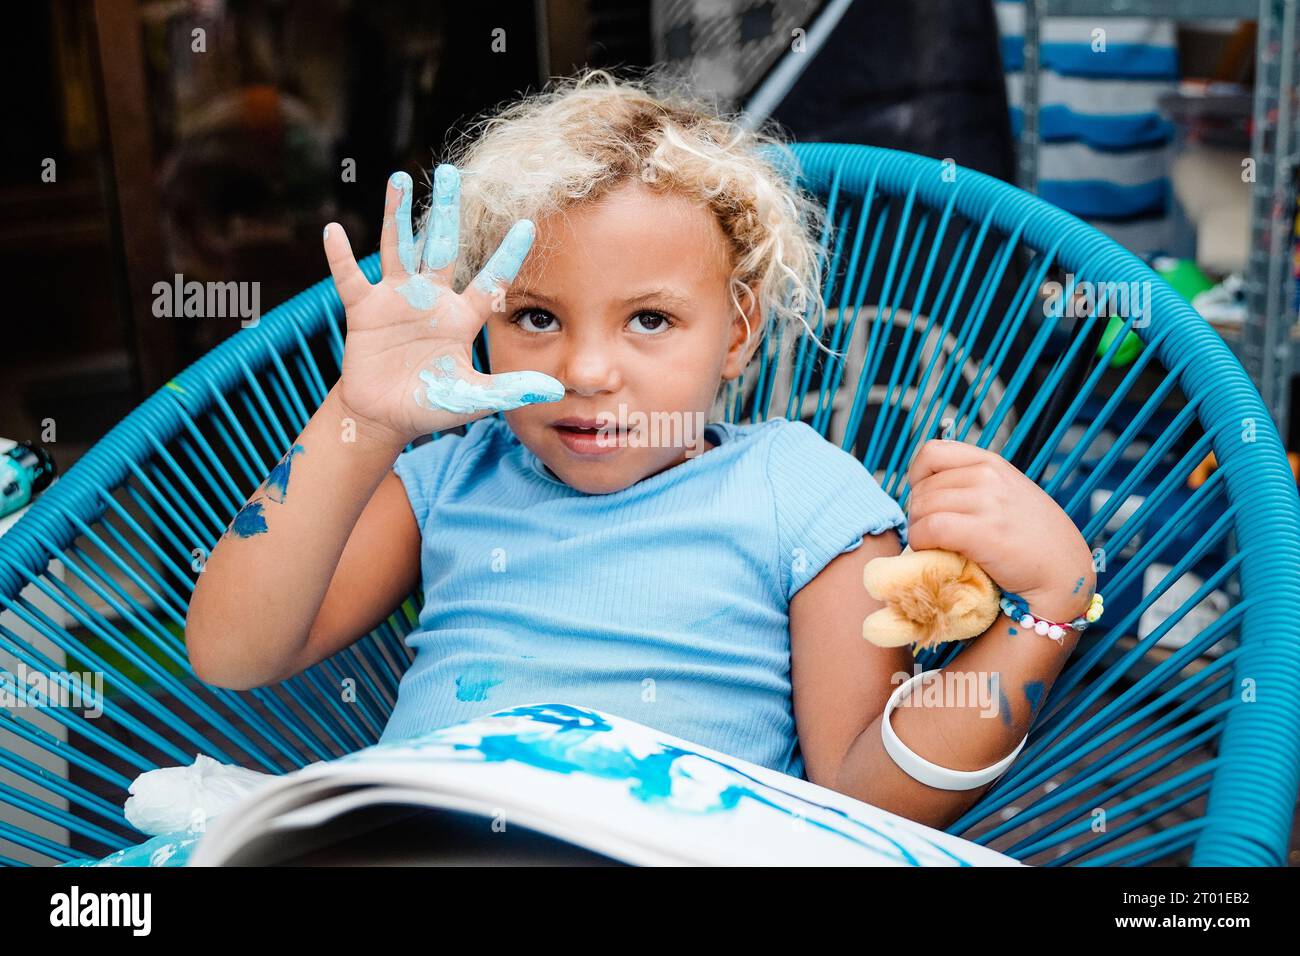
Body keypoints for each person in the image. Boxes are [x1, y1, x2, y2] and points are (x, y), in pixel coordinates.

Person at [187, 68, 1096, 829]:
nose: (585, 369)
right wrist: (362, 417)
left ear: (737, 332)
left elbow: (864, 802)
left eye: (650, 320)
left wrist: (1047, 609)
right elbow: (234, 653)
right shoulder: (450, 478)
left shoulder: (803, 494)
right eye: (535, 317)